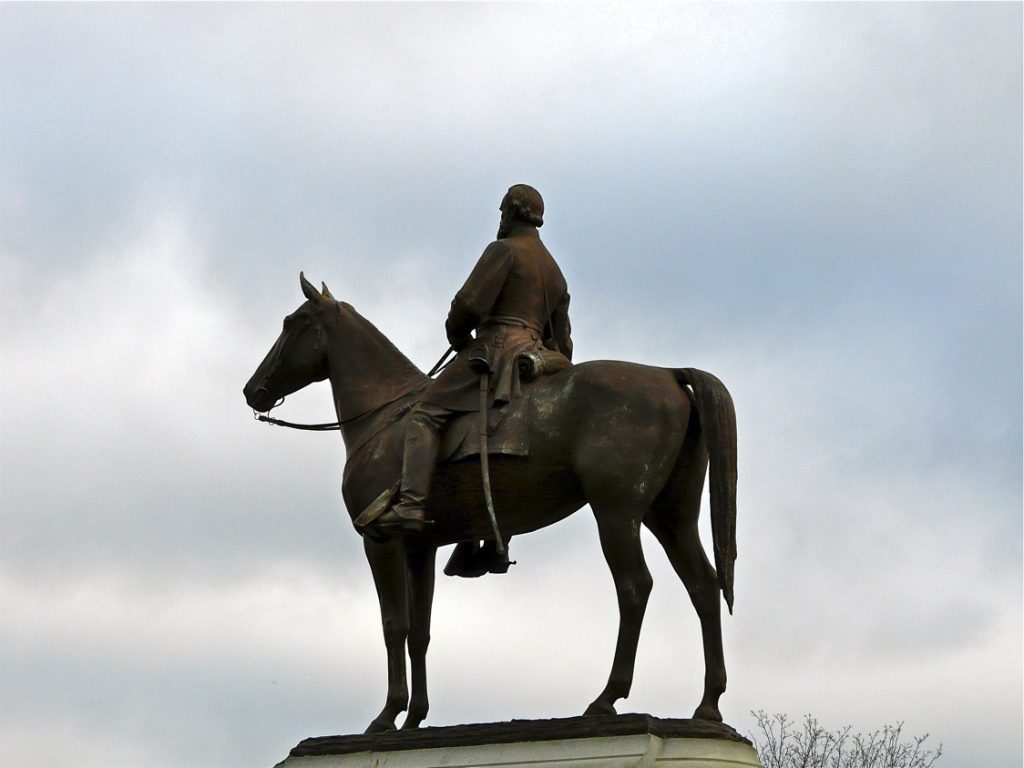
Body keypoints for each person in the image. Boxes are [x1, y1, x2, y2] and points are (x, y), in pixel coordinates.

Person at [368, 184, 573, 575]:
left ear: (512, 213)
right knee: (485, 436)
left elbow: (467, 306)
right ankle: (491, 541)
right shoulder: (555, 273)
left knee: (425, 415)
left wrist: (459, 336)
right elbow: (562, 341)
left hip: (495, 351)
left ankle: (411, 503)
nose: (500, 219)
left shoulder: (504, 251)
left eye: (502, 212)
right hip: (534, 357)